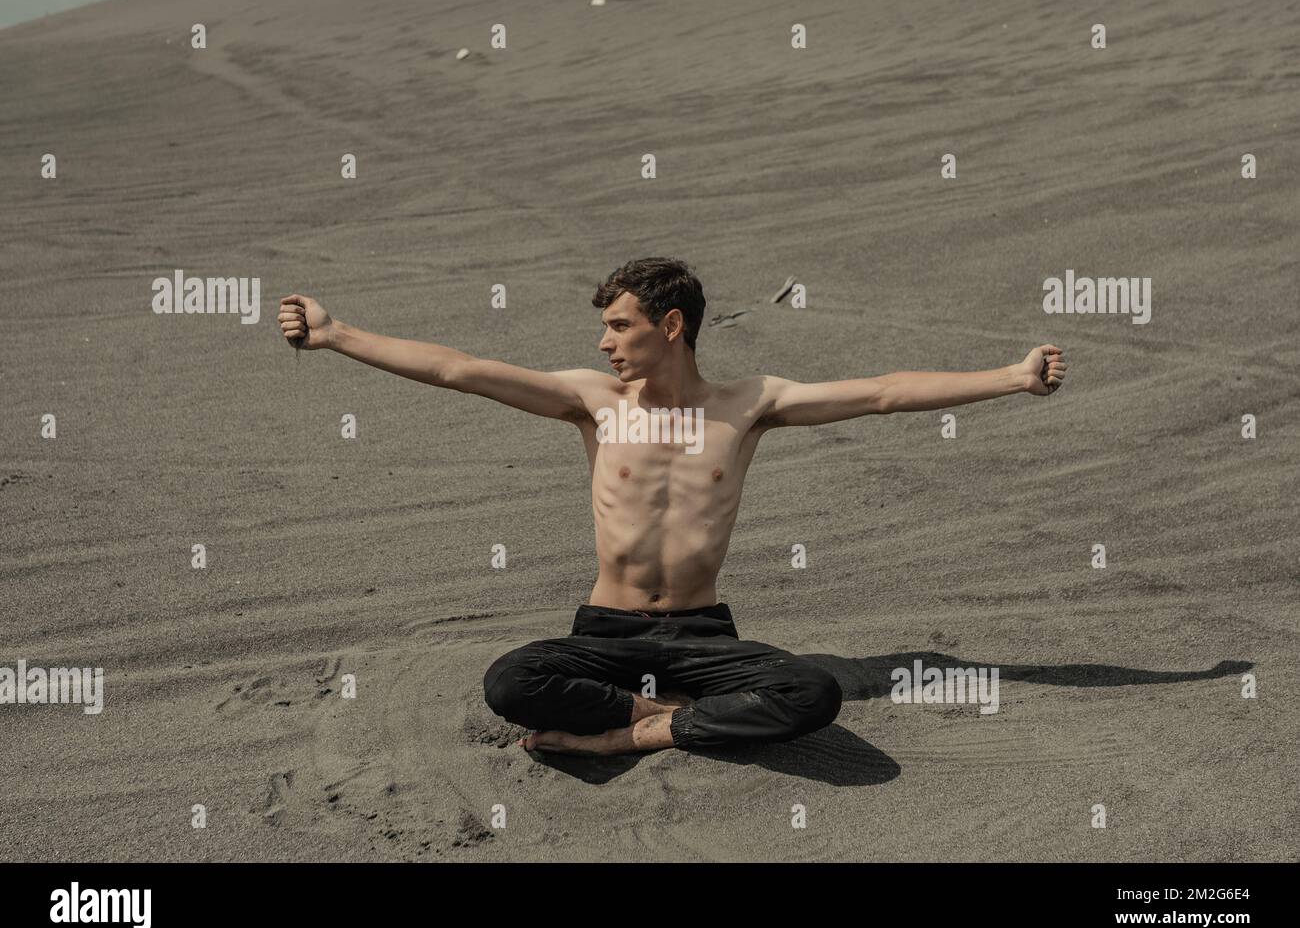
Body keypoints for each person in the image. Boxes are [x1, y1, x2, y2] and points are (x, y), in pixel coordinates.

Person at [278, 257, 1067, 756]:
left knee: (815, 692)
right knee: (511, 681)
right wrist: (337, 333)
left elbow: (888, 391)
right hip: (608, 633)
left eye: (619, 326)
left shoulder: (751, 403)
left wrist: (1011, 377)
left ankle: (637, 733)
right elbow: (459, 369)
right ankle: (677, 715)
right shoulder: (592, 402)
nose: (605, 343)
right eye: (604, 329)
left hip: (700, 635)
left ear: (672, 325)